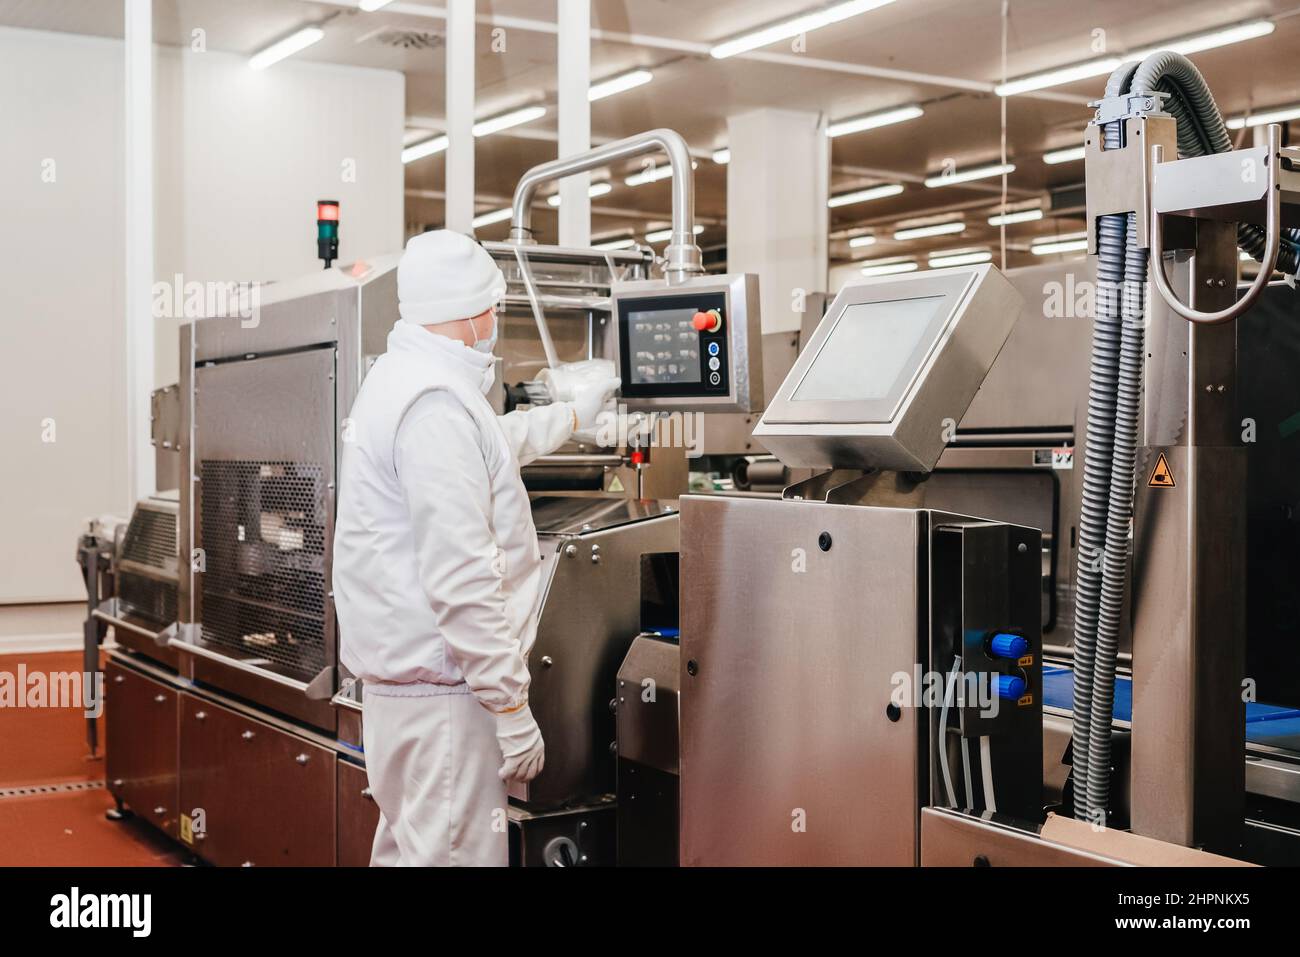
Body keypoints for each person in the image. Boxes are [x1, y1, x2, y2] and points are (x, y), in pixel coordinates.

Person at [332, 230, 620, 866]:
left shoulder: (408, 381)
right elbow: (460, 577)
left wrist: (571, 417)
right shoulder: (433, 403)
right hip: (441, 704)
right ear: (469, 312)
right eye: (494, 305)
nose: (495, 320)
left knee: (411, 855)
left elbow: (485, 446)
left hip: (411, 696)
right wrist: (509, 704)